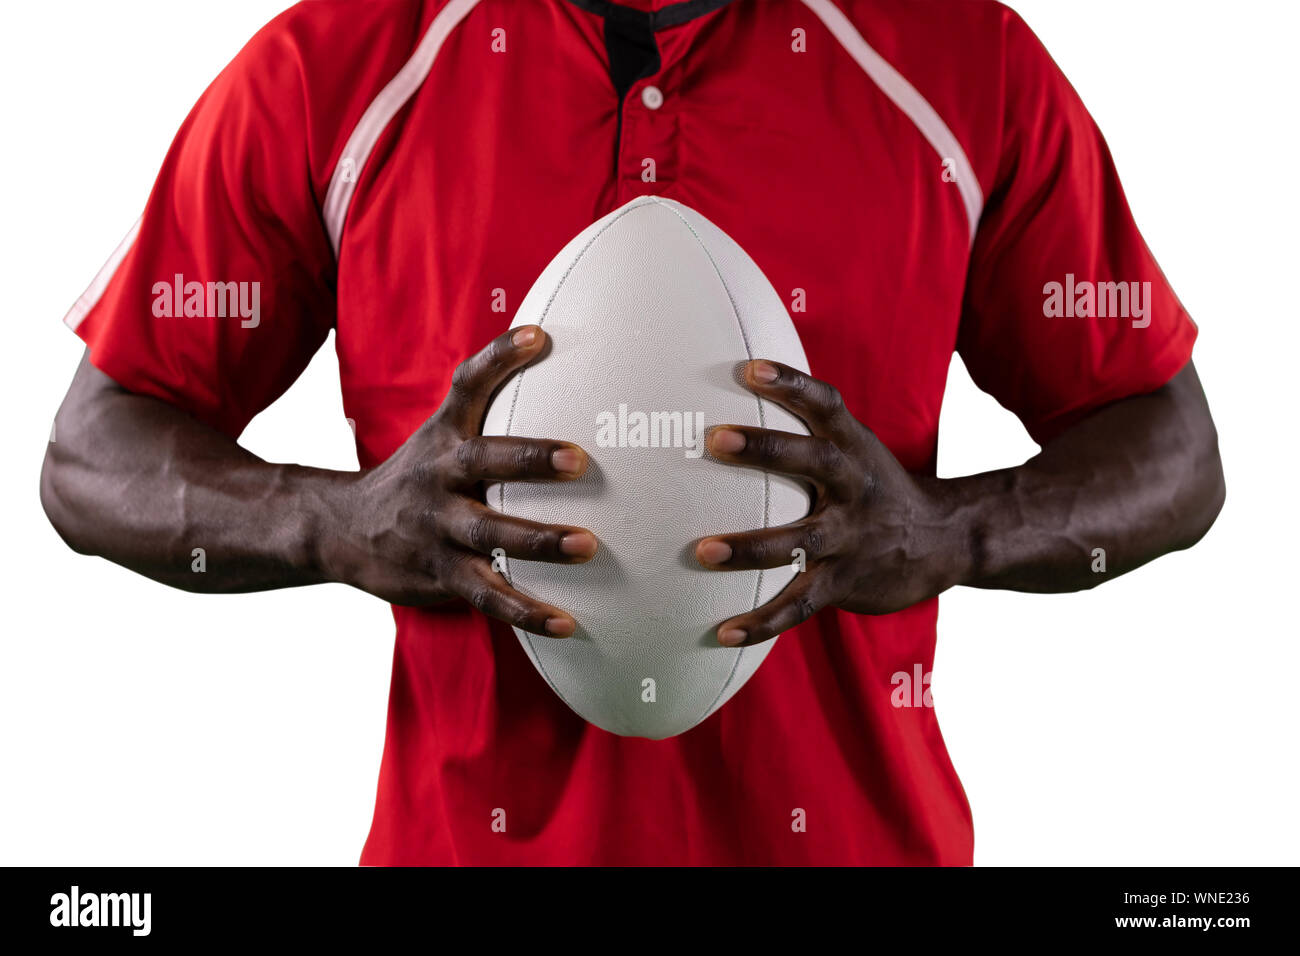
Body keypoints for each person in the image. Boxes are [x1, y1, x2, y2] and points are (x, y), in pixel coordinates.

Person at [41, 0, 1224, 865]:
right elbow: (95, 454)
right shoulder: (334, 68)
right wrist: (333, 522)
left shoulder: (959, 64)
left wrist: (947, 533)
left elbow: (1169, 451)